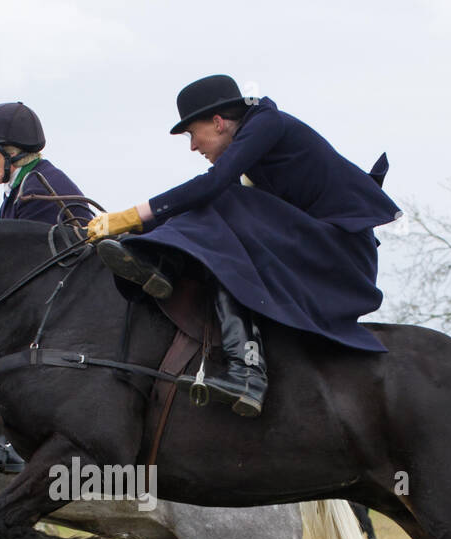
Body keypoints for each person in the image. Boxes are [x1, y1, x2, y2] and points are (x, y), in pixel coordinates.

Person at [85, 75, 401, 417]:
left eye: (192, 134)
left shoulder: (268, 123)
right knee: (222, 229)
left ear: (218, 122)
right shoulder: (254, 146)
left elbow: (212, 187)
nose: (193, 147)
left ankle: (162, 264)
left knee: (223, 200)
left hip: (342, 256)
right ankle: (246, 371)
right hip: (317, 250)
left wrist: (132, 217)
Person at [0, 102, 91, 473]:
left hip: (67, 310)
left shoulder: (39, 191)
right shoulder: (26, 186)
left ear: (10, 151)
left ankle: (8, 445)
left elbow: (25, 268)